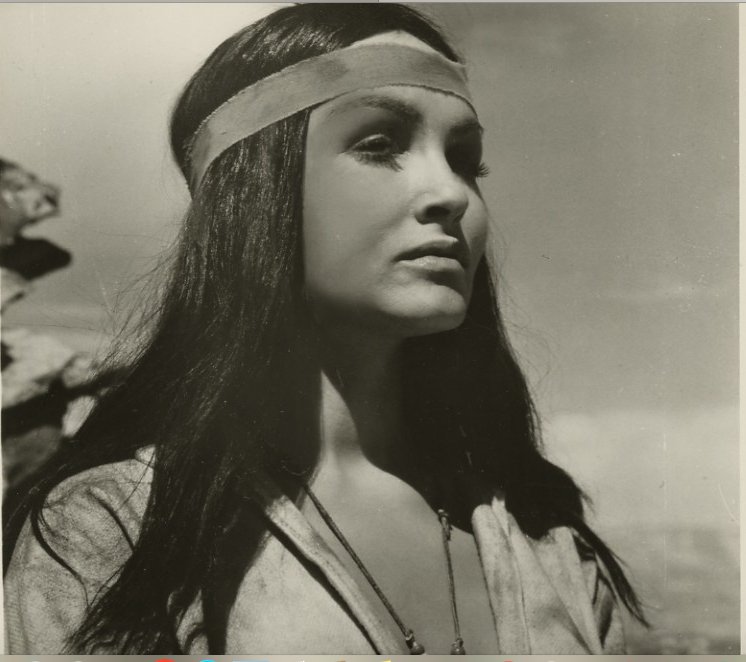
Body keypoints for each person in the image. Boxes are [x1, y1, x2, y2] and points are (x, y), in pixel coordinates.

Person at [3, 4, 646, 654]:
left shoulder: (551, 547)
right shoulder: (111, 535)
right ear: (251, 194)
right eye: (380, 144)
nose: (451, 193)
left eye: (465, 160)